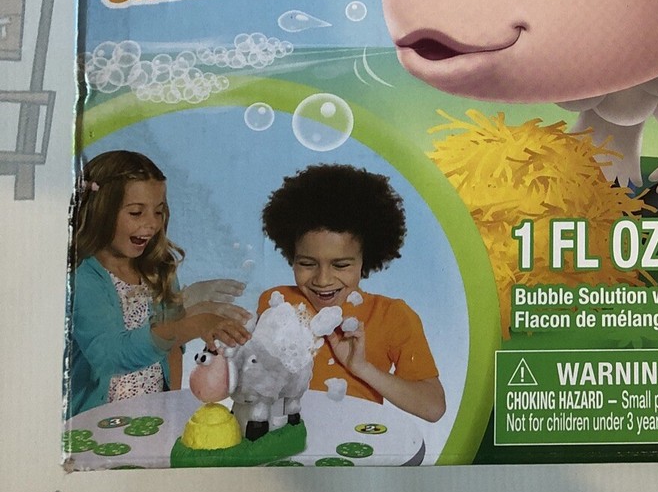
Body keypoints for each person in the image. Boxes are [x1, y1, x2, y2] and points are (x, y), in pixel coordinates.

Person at [67, 150, 250, 418]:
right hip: (96, 425)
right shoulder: (83, 277)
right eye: (136, 212)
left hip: (149, 419)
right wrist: (191, 325)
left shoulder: (158, 270)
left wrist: (168, 408)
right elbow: (110, 355)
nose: (152, 224)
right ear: (100, 211)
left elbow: (172, 349)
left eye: (159, 211)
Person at [259, 163, 446, 422]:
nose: (323, 280)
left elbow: (433, 408)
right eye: (307, 263)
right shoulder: (276, 303)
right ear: (292, 257)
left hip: (356, 441)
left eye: (340, 265)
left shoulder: (392, 316)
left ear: (365, 261)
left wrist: (362, 368)